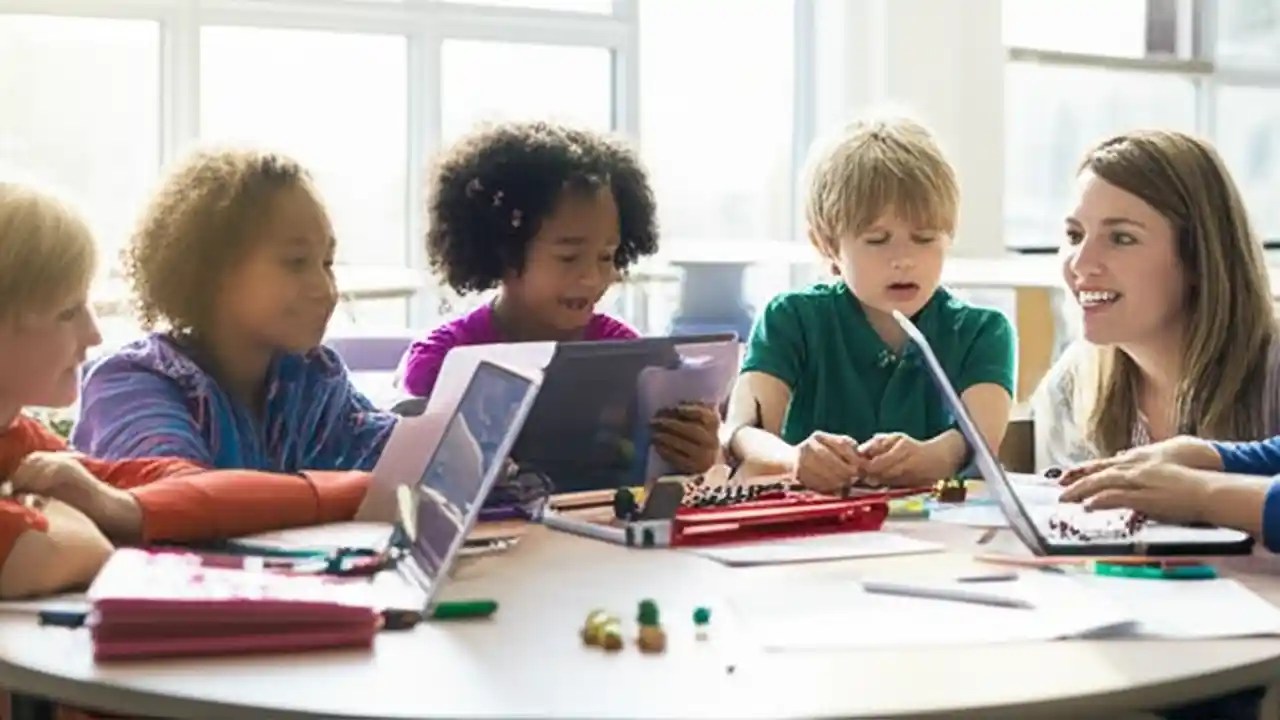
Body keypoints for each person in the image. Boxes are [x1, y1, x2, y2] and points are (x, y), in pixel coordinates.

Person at [0, 182, 373, 599]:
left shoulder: (18, 440)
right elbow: (66, 551)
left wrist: (366, 489)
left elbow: (191, 490)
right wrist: (98, 513)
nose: (93, 333)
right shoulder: (137, 378)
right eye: (67, 312)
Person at [395, 121, 719, 474]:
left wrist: (695, 454)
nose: (592, 278)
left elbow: (650, 474)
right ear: (504, 251)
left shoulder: (628, 356)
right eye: (568, 257)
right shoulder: (442, 361)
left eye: (607, 257)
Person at [721, 114, 1016, 491]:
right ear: (827, 244)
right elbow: (741, 432)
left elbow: (978, 442)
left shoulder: (982, 332)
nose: (904, 259)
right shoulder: (791, 319)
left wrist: (933, 458)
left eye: (924, 238)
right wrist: (795, 460)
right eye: (877, 240)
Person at [71, 148, 397, 472]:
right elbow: (180, 499)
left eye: (327, 263)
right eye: (296, 262)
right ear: (212, 270)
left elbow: (393, 461)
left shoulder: (312, 381)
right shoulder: (130, 385)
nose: (325, 289)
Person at [1032, 129, 1280, 471]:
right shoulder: (1070, 389)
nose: (1080, 263)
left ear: (1198, 258)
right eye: (1075, 236)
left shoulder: (1273, 370)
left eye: (1121, 238)